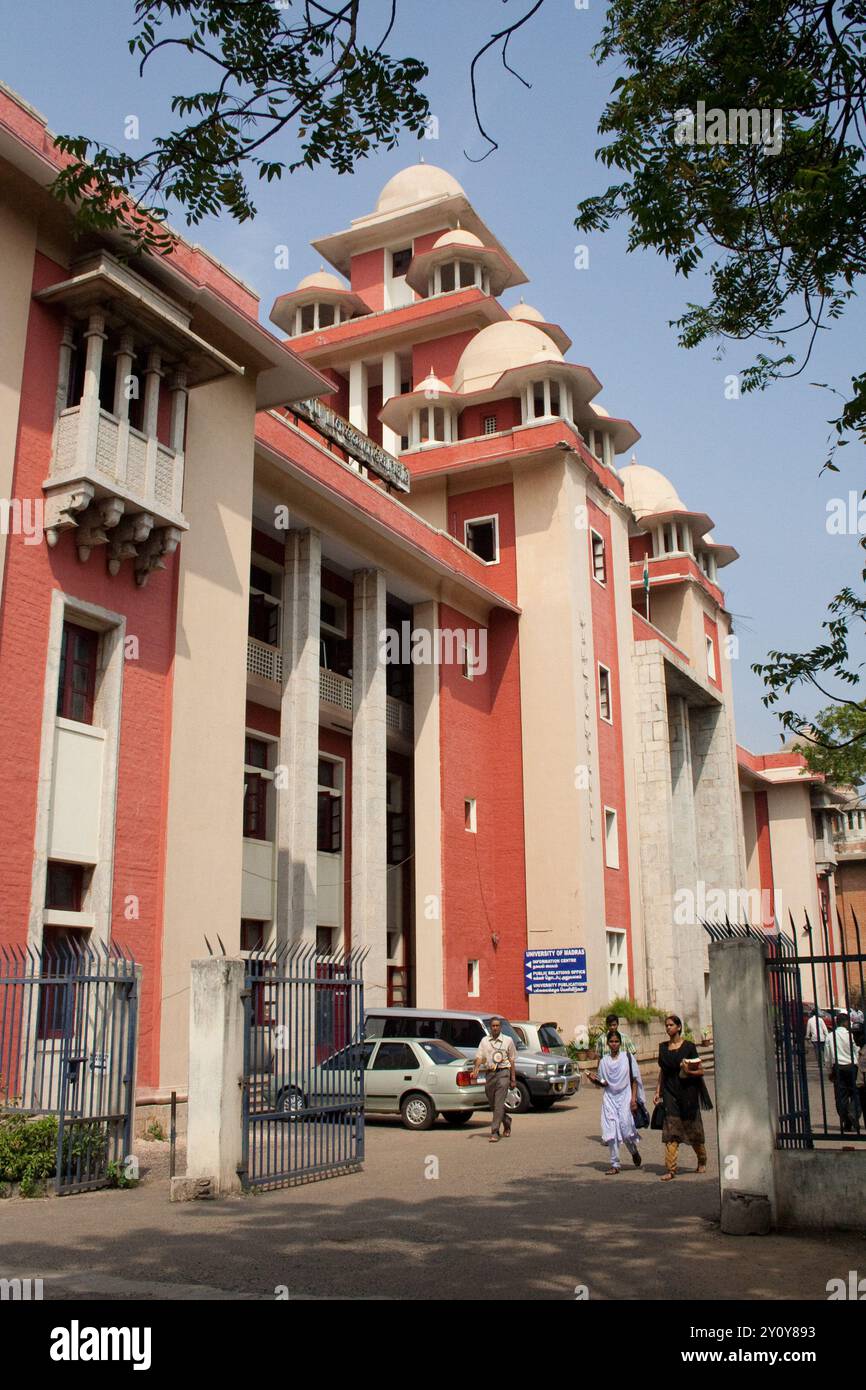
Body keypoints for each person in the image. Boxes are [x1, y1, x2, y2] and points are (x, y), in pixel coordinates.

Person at [653, 1014, 709, 1181]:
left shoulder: (689, 1047)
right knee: (671, 1131)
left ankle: (702, 1159)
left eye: (671, 1025)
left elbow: (700, 1070)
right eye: (666, 1025)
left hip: (688, 1093)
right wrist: (658, 1091)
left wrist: (687, 1069)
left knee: (692, 1130)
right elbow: (662, 1072)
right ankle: (671, 1169)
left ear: (678, 1027)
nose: (668, 1028)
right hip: (670, 1093)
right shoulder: (663, 1048)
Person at [588, 1030, 643, 1174]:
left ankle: (633, 1151)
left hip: (625, 1096)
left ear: (620, 1043)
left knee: (626, 1130)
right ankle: (615, 1164)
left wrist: (633, 1099)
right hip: (609, 1098)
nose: (614, 1044)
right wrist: (594, 1079)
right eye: (611, 1042)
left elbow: (635, 1080)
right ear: (607, 1044)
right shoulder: (604, 1061)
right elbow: (603, 1083)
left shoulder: (627, 1058)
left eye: (616, 1041)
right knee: (611, 1130)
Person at [471, 1016, 517, 1143]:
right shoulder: (485, 1041)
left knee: (498, 1103)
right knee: (493, 1104)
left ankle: (495, 1131)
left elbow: (512, 1060)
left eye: (497, 1025)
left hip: (504, 1073)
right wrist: (476, 1068)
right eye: (493, 1026)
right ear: (490, 1027)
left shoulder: (508, 1040)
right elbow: (479, 1057)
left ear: (500, 1027)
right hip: (490, 1074)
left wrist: (513, 1079)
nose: (495, 1028)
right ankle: (506, 1120)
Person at [825, 1012, 861, 1132]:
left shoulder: (830, 1036)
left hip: (838, 1067)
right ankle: (853, 1112)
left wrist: (830, 1069)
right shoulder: (851, 1035)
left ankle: (846, 1121)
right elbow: (856, 1050)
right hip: (852, 1066)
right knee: (857, 1093)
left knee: (841, 1096)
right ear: (846, 1022)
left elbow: (828, 1055)